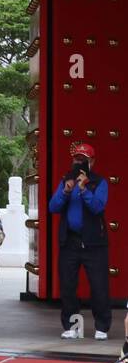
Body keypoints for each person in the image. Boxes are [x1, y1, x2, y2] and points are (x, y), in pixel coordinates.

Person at [51, 142, 110, 340]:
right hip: (70, 242)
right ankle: (73, 326)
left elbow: (98, 207)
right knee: (68, 286)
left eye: (83, 160)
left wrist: (84, 189)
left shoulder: (99, 182)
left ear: (92, 162)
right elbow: (53, 207)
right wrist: (66, 191)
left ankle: (101, 327)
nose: (79, 163)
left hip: (94, 244)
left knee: (98, 286)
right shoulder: (66, 180)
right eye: (77, 159)